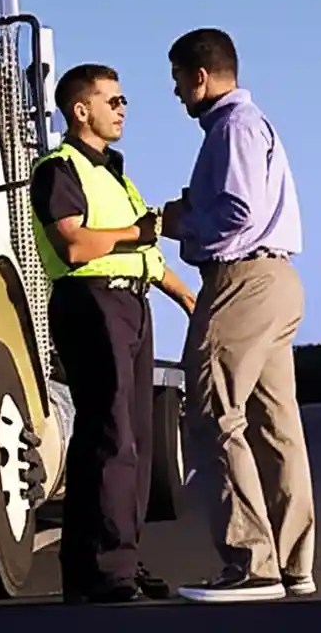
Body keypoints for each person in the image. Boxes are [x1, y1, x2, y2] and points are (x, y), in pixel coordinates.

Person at [29, 62, 196, 604]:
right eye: (113, 100)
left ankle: (117, 557)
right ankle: (105, 571)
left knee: (137, 439)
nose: (123, 109)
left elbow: (140, 251)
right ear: (82, 110)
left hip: (132, 303)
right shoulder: (58, 169)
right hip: (93, 305)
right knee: (111, 435)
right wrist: (142, 227)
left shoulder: (115, 174)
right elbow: (76, 245)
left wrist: (186, 294)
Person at [158, 28, 315, 603]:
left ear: (200, 76)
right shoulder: (251, 126)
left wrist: (180, 222)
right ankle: (294, 563)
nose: (175, 93)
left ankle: (253, 564)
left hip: (241, 281)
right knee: (277, 428)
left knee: (210, 415)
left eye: (177, 80)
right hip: (276, 282)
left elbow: (237, 213)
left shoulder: (233, 128)